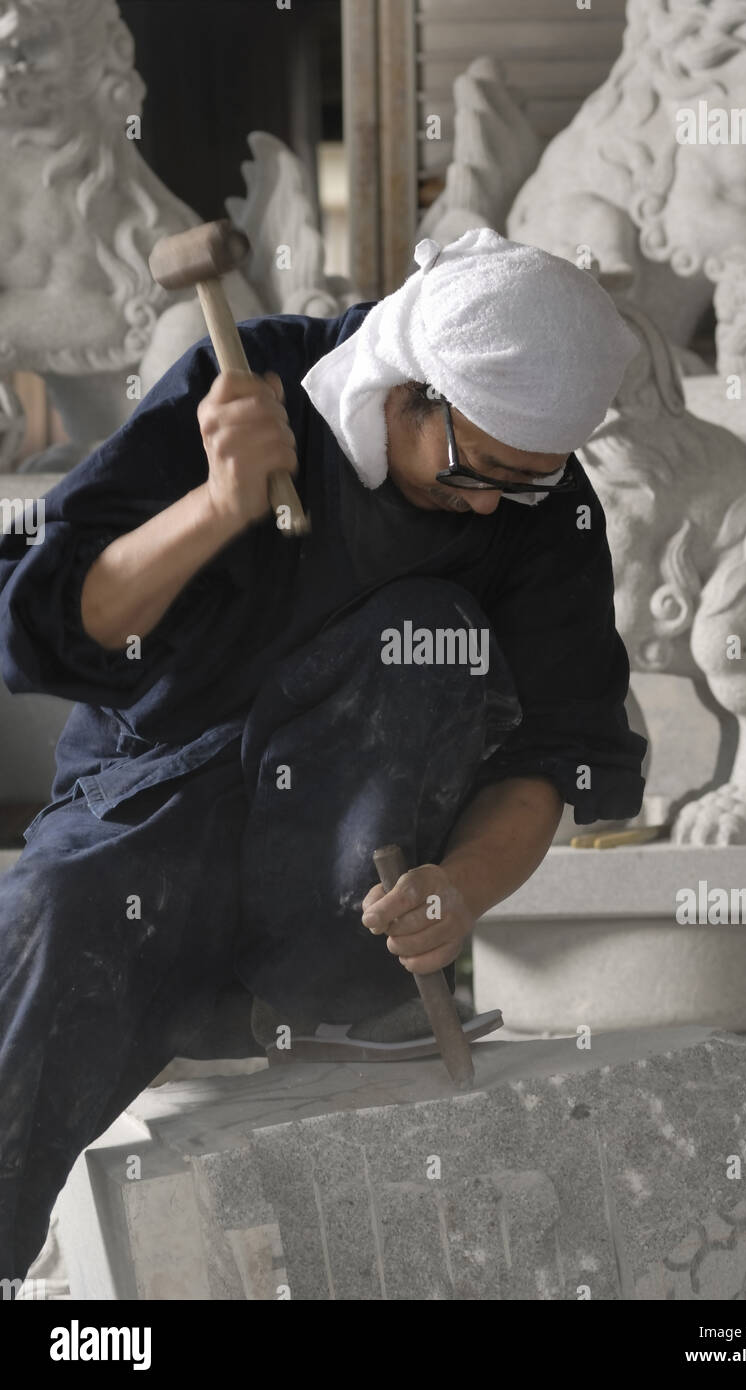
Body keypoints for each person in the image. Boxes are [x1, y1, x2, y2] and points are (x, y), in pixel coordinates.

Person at [0, 228, 646, 1284]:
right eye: (478, 469)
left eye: (525, 484)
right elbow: (43, 628)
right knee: (45, 929)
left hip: (341, 883)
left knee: (427, 628)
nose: (492, 505)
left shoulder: (541, 506)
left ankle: (333, 996)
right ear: (410, 390)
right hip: (151, 806)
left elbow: (560, 754)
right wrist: (214, 507)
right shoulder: (247, 381)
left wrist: (460, 893)